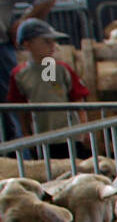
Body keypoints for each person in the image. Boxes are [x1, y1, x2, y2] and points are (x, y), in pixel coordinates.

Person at [5, 18, 90, 149]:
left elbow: (77, 99)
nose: (52, 46)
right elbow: (21, 108)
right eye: (46, 42)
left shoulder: (62, 69)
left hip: (70, 134)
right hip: (41, 136)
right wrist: (26, 133)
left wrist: (84, 128)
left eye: (53, 42)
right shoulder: (20, 74)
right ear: (28, 44)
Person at [0, 0, 55, 142]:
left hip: (2, 50)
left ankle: (21, 158)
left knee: (12, 105)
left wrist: (22, 23)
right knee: (11, 107)